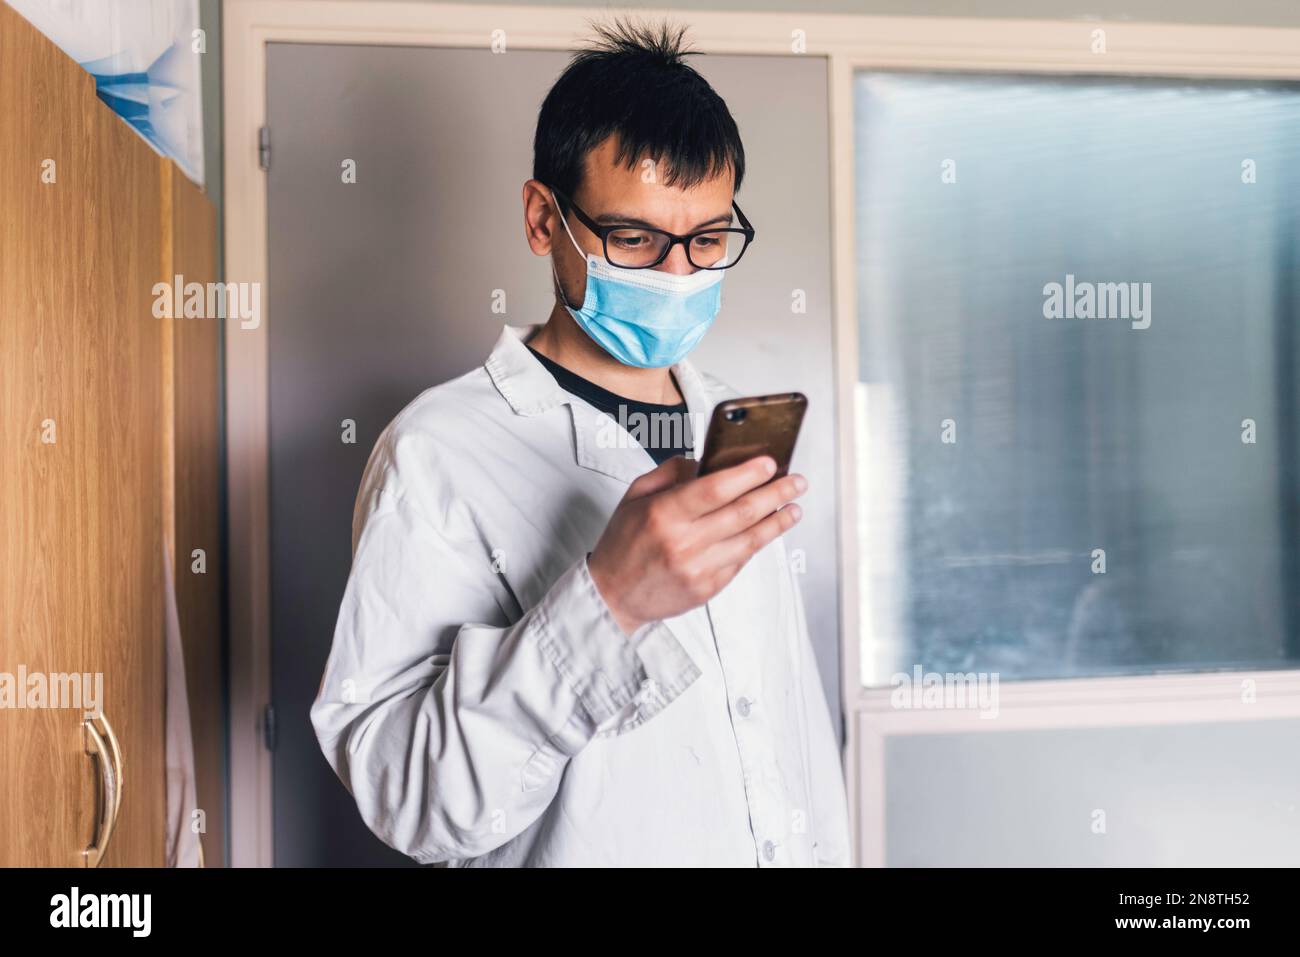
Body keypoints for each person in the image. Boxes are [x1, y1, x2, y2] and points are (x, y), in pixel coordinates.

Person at [310, 17, 851, 867]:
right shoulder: (436, 453)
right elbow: (407, 795)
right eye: (634, 239)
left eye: (707, 240)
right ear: (542, 220)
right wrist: (608, 603)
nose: (679, 276)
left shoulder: (738, 432)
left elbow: (782, 731)